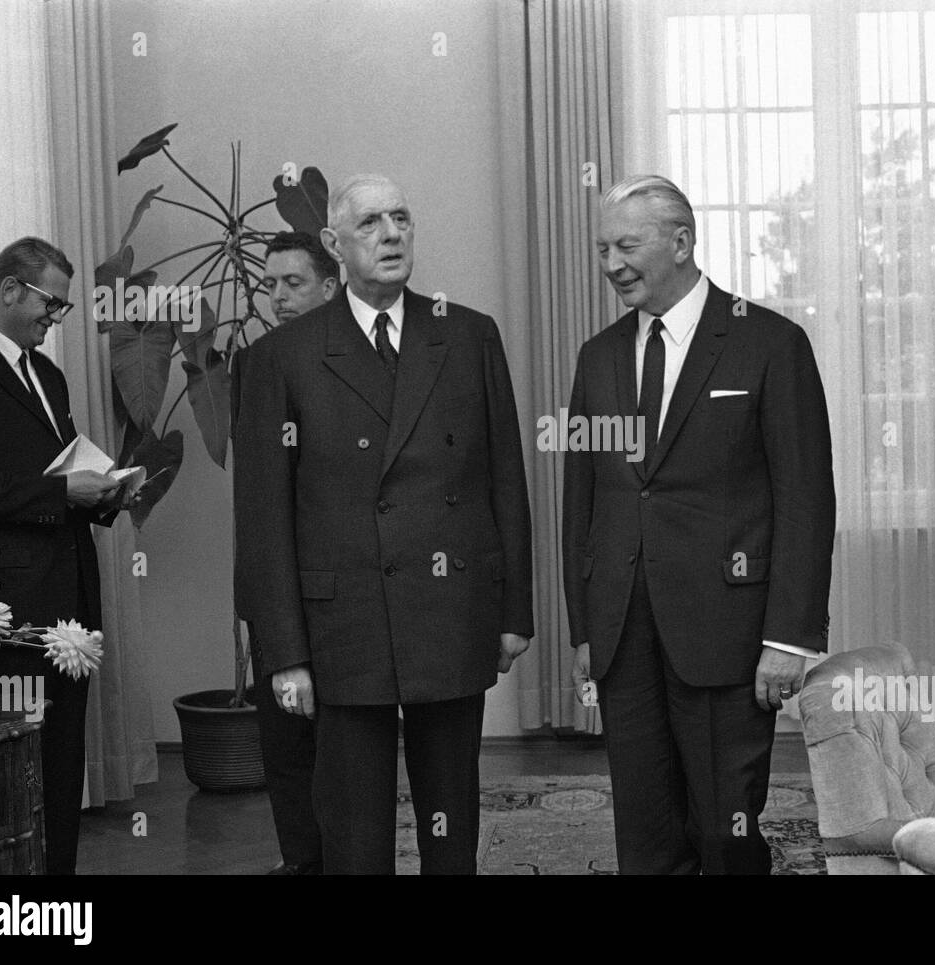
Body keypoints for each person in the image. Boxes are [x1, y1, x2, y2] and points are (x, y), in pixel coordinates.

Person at [234, 175, 533, 874]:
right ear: (335, 245)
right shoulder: (284, 356)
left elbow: (505, 482)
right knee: (356, 836)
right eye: (370, 223)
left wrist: (512, 609)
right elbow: (265, 519)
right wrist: (285, 652)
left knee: (450, 827)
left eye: (402, 217)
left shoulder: (467, 333)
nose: (392, 233)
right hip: (345, 628)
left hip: (449, 613)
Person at [562, 175, 836, 874]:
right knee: (646, 839)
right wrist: (586, 627)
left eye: (625, 245)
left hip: (731, 635)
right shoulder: (598, 357)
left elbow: (805, 500)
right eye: (602, 249)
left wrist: (790, 636)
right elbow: (583, 503)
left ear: (681, 241)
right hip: (625, 634)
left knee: (724, 831)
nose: (611, 264)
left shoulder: (770, 343)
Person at [0, 237, 128, 874]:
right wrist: (59, 491)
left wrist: (102, 495)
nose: (57, 317)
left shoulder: (48, 374)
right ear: (10, 290)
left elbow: (57, 469)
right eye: (51, 302)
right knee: (10, 769)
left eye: (66, 307)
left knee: (62, 764)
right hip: (3, 609)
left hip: (69, 599)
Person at [230, 231, 338, 874]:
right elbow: (257, 495)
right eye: (270, 285)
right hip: (277, 581)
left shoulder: (371, 359)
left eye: (292, 283)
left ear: (331, 286)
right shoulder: (258, 362)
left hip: (345, 588)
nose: (277, 297)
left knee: (344, 747)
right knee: (286, 744)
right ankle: (302, 861)